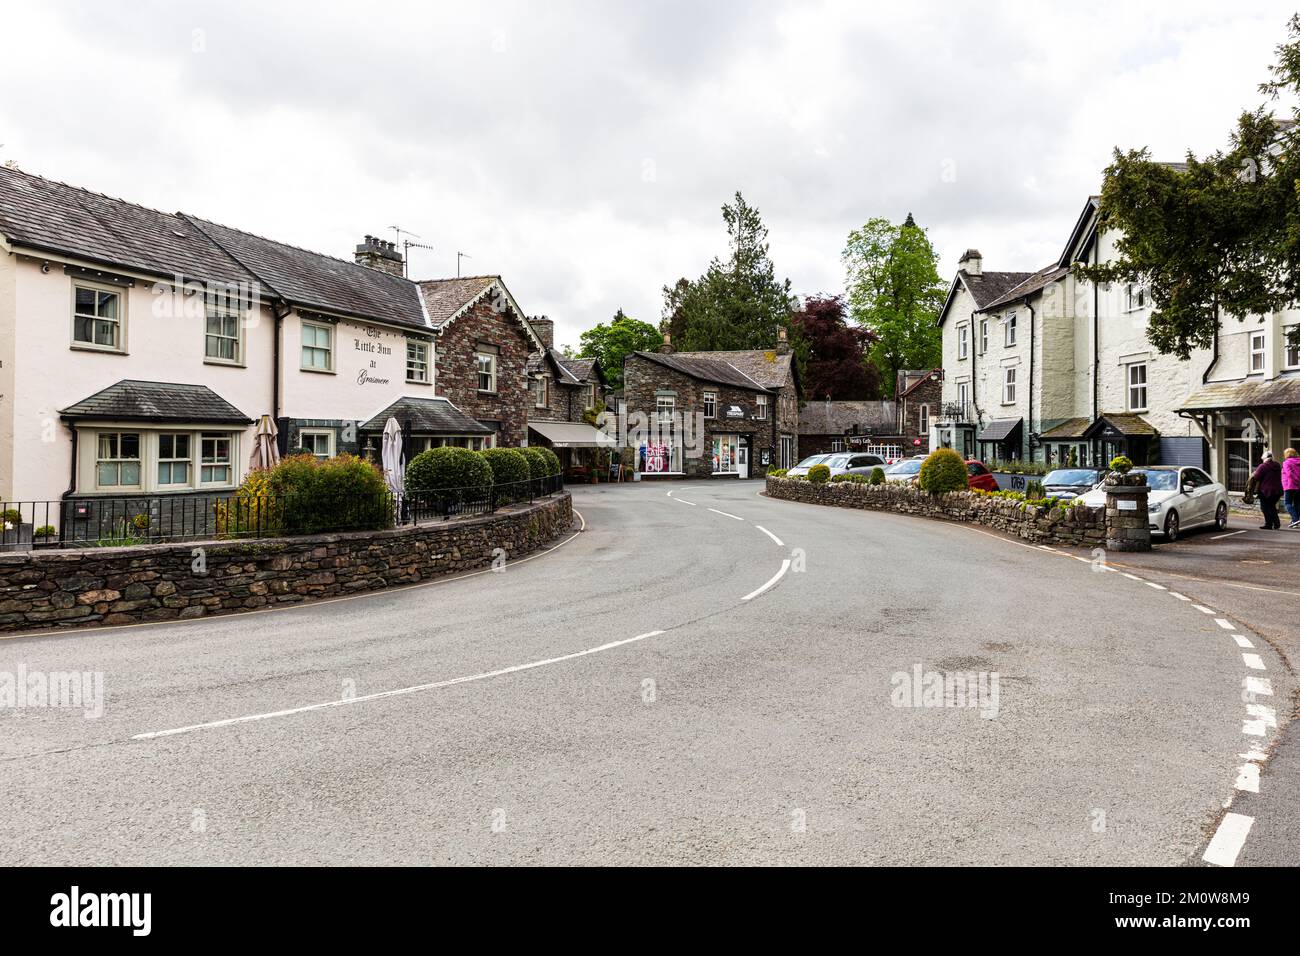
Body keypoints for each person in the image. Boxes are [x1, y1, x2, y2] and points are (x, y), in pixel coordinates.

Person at [1251, 451, 1284, 530]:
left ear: (1265, 458)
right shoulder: (1277, 465)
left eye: (1263, 459)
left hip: (1266, 491)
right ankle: (1276, 524)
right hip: (1277, 491)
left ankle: (1268, 524)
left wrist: (1254, 473)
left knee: (1265, 507)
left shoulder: (1263, 466)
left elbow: (1256, 477)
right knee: (1272, 506)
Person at [1283, 447, 1300, 529]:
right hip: (1299, 486)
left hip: (1289, 486)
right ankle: (1295, 522)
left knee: (1287, 503)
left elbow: (1289, 474)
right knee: (1297, 503)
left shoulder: (1286, 462)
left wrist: (1296, 481)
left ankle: (1295, 519)